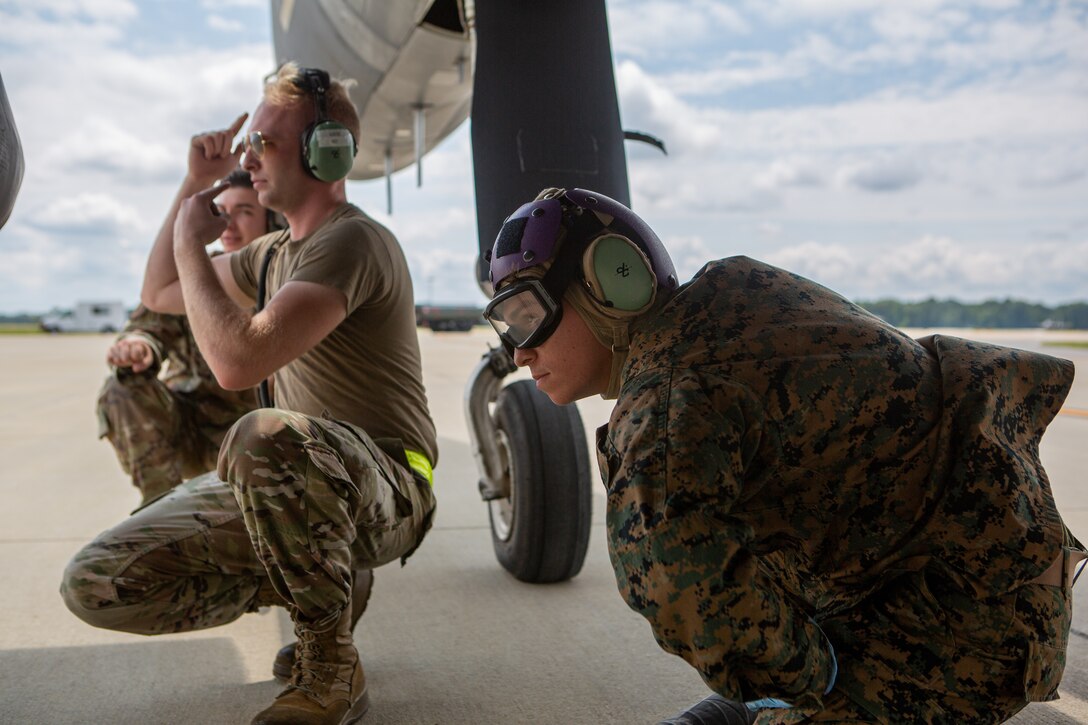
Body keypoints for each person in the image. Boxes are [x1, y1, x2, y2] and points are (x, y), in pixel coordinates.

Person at [481, 187, 1083, 724]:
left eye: (529, 316)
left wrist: (804, 682)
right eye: (508, 327)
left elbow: (675, 585)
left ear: (612, 285)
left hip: (971, 624)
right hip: (971, 568)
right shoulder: (735, 295)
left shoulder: (668, 398)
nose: (520, 353)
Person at [61, 63, 437, 725]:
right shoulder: (270, 255)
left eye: (265, 141)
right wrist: (193, 189)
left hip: (389, 483)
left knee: (261, 433)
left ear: (326, 151)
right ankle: (322, 578)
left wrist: (188, 237)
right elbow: (161, 295)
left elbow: (237, 360)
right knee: (96, 582)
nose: (248, 156)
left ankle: (330, 670)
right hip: (297, 487)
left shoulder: (351, 239)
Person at [97, 168, 273, 507]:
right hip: (195, 429)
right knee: (121, 389)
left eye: (245, 212)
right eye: (222, 213)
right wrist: (140, 346)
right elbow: (149, 323)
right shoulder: (197, 276)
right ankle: (162, 512)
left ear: (271, 218)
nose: (228, 225)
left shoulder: (287, 277)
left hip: (264, 438)